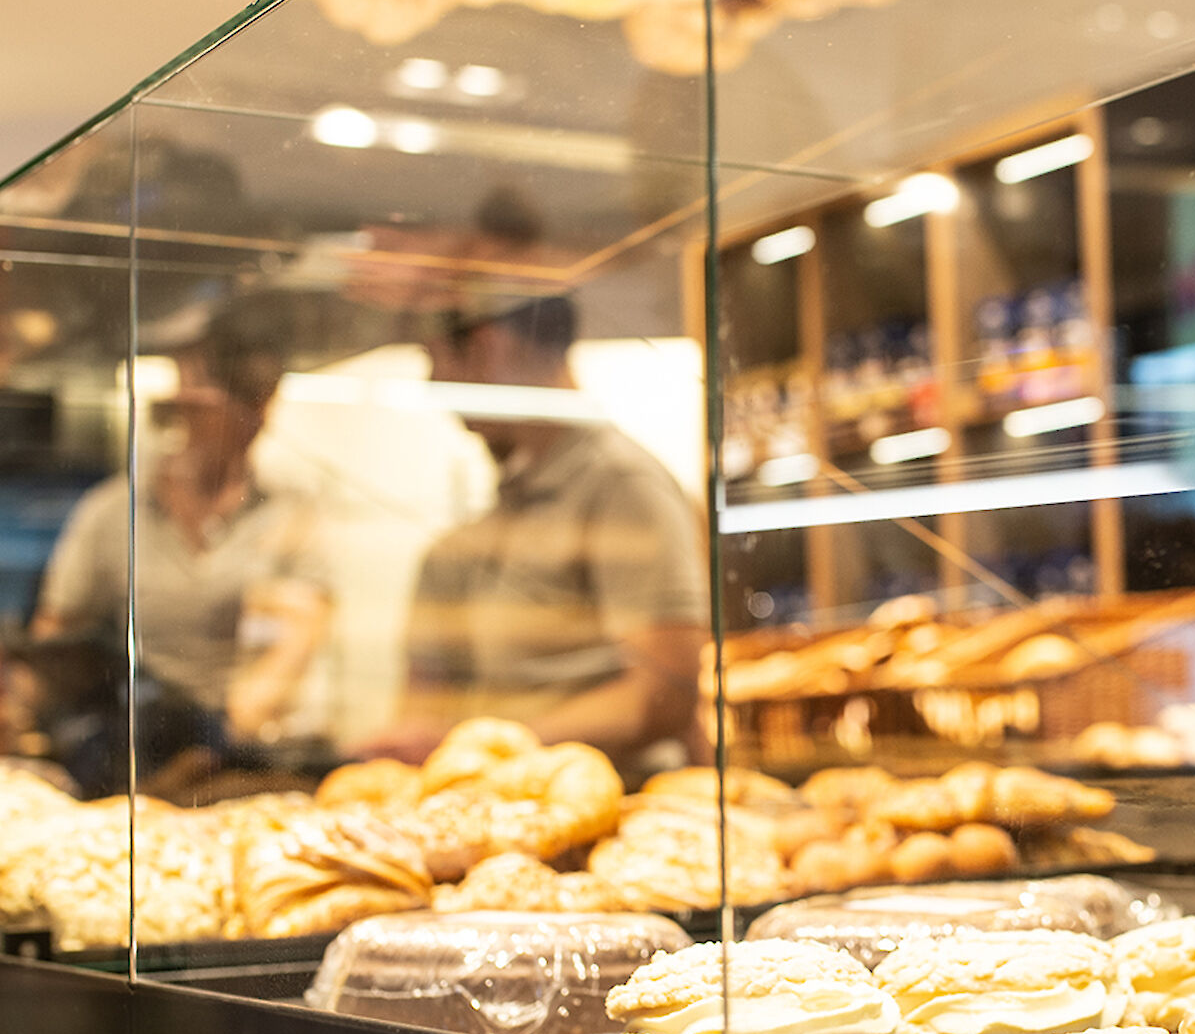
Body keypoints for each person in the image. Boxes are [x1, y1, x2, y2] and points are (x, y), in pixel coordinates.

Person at [367, 294, 708, 779]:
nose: (432, 387)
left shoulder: (620, 484)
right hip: (511, 807)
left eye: (434, 360)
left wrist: (489, 752)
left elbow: (662, 697)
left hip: (614, 810)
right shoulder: (507, 502)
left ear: (491, 347)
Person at [30, 297, 330, 786]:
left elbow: (298, 632)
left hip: (242, 761)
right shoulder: (112, 511)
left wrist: (226, 732)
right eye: (230, 394)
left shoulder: (289, 511)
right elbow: (58, 635)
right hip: (129, 763)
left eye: (259, 398)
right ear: (188, 397)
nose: (252, 416)